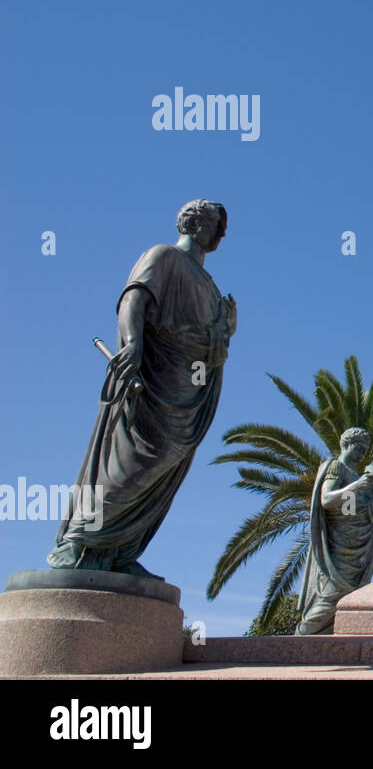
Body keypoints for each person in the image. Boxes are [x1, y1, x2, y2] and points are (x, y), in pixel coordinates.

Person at [48, 200, 236, 579]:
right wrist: (132, 343)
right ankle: (82, 540)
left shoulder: (210, 283)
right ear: (194, 221)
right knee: (138, 458)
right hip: (156, 380)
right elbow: (134, 298)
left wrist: (224, 330)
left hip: (192, 387)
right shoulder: (163, 256)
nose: (221, 233)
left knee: (169, 464)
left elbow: (209, 339)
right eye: (216, 223)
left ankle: (120, 549)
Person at [297, 427, 373, 635]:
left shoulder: (356, 474)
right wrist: (356, 486)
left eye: (365, 449)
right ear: (346, 444)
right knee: (330, 597)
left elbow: (349, 507)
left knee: (350, 597)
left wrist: (367, 485)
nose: (362, 453)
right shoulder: (336, 467)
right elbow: (327, 500)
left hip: (358, 544)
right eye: (358, 447)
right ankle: (301, 637)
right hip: (340, 545)